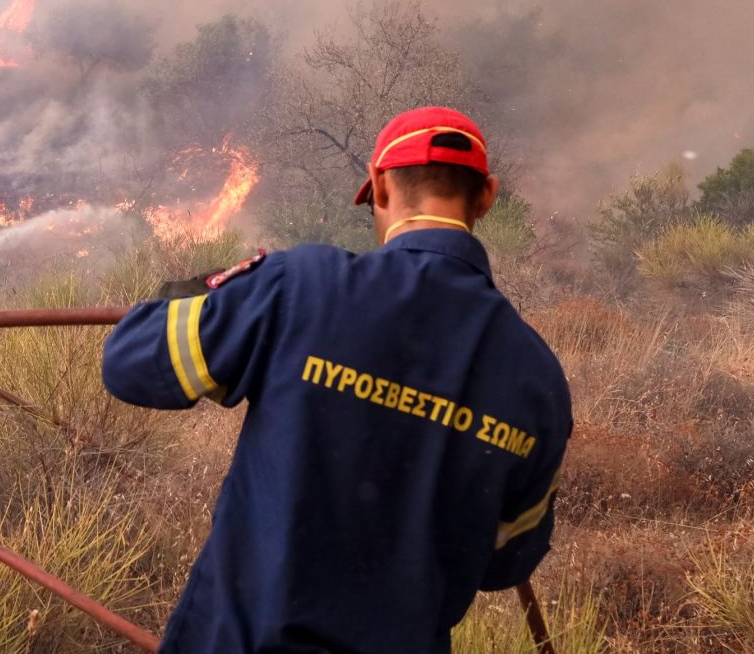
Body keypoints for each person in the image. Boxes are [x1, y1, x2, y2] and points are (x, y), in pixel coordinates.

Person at [102, 107, 572, 653]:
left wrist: (205, 296)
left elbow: (131, 363)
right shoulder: (539, 377)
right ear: (487, 196)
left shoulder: (302, 286)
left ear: (379, 186)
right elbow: (506, 561)